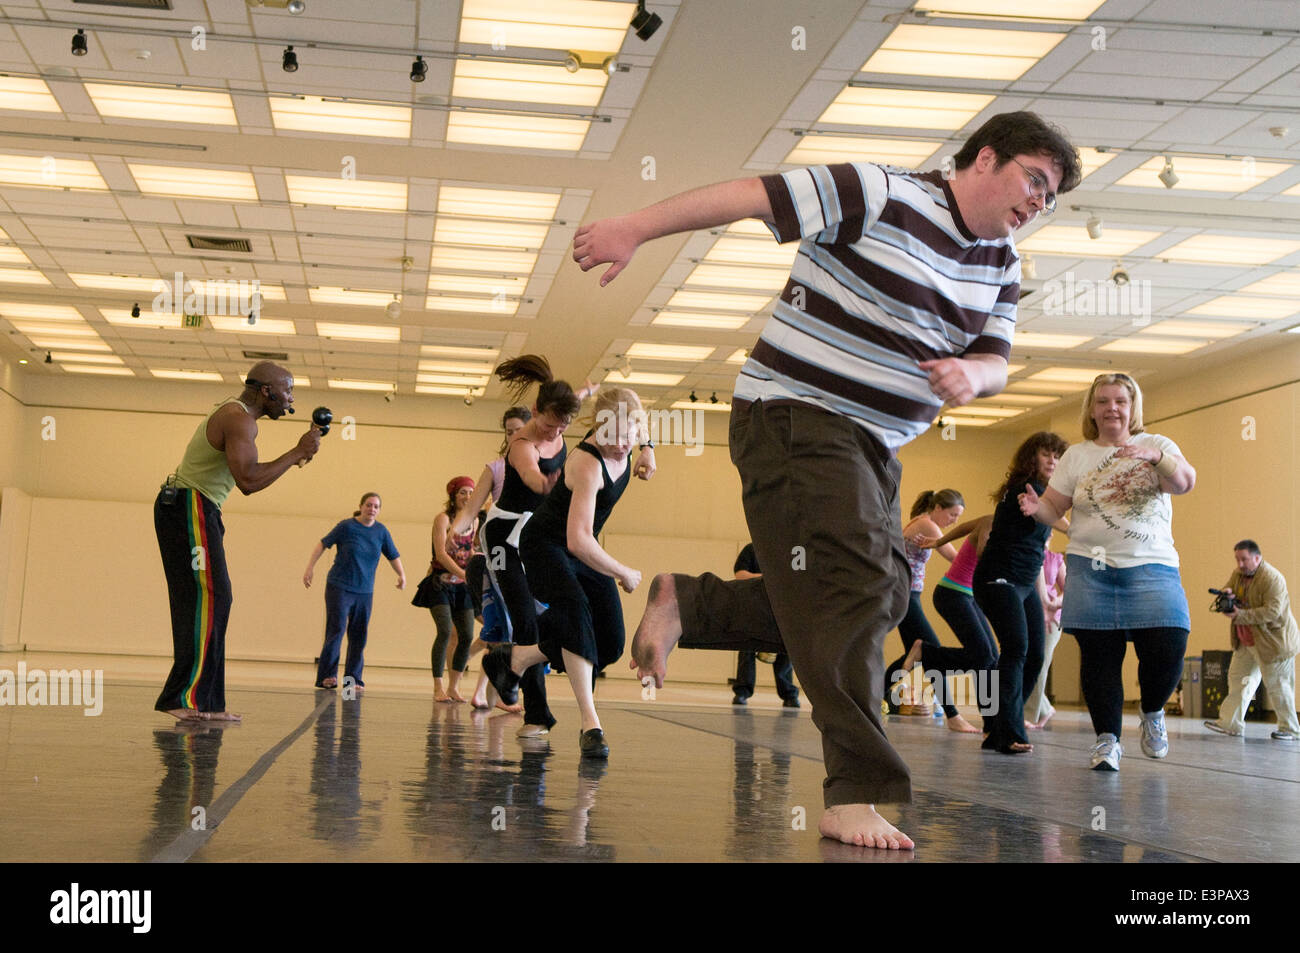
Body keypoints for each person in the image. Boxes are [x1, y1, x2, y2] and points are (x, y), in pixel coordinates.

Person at [575, 110, 1081, 847]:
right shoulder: (879, 191)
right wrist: (635, 228)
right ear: (985, 158)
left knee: (865, 594)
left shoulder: (1000, 265)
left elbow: (998, 359)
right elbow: (750, 195)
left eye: (1051, 196)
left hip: (874, 447)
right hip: (795, 413)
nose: (1038, 202)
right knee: (865, 585)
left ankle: (693, 603)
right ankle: (855, 788)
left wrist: (975, 371)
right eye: (1033, 180)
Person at [1021, 373, 1196, 771]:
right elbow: (1054, 508)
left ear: (1132, 407)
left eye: (1120, 400)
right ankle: (1107, 742)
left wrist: (1155, 458)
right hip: (1091, 567)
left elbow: (1185, 482)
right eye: (1103, 401)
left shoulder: (1158, 445)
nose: (1112, 408)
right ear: (1092, 409)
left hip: (1152, 565)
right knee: (1100, 657)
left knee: (1170, 641)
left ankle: (1152, 712)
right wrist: (1038, 511)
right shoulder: (1077, 456)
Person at [482, 388, 645, 758]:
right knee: (575, 617)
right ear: (597, 428)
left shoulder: (633, 437)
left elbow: (639, 420)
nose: (622, 445)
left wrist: (648, 451)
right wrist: (623, 572)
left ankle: (517, 659)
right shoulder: (587, 464)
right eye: (613, 436)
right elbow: (578, 540)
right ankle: (591, 725)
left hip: (580, 548)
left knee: (611, 642)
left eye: (629, 436)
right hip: (545, 546)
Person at [154, 361, 321, 722]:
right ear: (266, 391)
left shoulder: (240, 417)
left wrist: (296, 454)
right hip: (188, 505)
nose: (290, 401)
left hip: (197, 507)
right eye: (287, 391)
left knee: (213, 598)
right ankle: (184, 697)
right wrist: (295, 453)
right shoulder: (238, 418)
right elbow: (248, 481)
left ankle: (207, 702)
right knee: (210, 597)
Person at [973, 431, 1068, 754]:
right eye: (1046, 455)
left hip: (1025, 584)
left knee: (1036, 655)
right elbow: (1058, 521)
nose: (1052, 461)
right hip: (998, 579)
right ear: (1032, 458)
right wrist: (1086, 530)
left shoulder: (1045, 495)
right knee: (1016, 649)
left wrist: (1042, 597)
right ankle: (1011, 731)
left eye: (1057, 456)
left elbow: (1038, 552)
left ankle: (999, 727)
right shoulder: (1028, 490)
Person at [883, 489, 973, 731]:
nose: (954, 520)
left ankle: (876, 697)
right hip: (905, 596)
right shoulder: (929, 525)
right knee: (930, 650)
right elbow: (955, 559)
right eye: (953, 514)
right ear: (938, 508)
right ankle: (953, 715)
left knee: (911, 656)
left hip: (906, 594)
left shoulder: (924, 522)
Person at [303, 492, 405, 690]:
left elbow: (393, 554)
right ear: (361, 506)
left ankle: (352, 680)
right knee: (337, 629)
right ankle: (327, 676)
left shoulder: (381, 531)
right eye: (368, 505)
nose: (372, 509)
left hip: (364, 591)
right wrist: (310, 568)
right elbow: (322, 544)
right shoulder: (347, 526)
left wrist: (402, 575)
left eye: (376, 506)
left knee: (359, 634)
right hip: (339, 587)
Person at [1203, 540, 1299, 741]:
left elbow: (1273, 611)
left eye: (1244, 559)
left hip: (1274, 644)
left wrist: (1240, 615)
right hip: (1247, 641)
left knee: (1279, 686)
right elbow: (1229, 588)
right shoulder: (1238, 575)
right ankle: (1230, 723)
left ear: (1257, 558)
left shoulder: (1272, 579)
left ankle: (1290, 729)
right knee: (1239, 681)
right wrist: (1226, 594)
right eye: (1237, 559)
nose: (1240, 564)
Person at [428, 476, 480, 702]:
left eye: (470, 493)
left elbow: (469, 551)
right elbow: (441, 554)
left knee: (467, 635)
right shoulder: (443, 519)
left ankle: (454, 686)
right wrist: (462, 574)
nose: (467, 497)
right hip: (440, 582)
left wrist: (475, 566)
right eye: (462, 493)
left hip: (462, 586)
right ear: (453, 496)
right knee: (445, 631)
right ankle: (438, 686)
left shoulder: (474, 521)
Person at [730, 543, 800, 708]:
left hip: (785, 609)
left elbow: (801, 577)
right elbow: (739, 574)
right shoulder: (751, 549)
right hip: (754, 607)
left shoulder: (796, 549)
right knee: (746, 649)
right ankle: (742, 692)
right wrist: (769, 578)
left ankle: (789, 695)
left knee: (786, 652)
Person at [1025, 543, 1066, 729]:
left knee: (1040, 665)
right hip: (1027, 614)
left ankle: (1028, 714)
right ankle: (1045, 707)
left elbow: (1068, 589)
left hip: (1052, 618)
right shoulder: (1024, 552)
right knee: (1025, 663)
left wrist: (1056, 602)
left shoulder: (1056, 559)